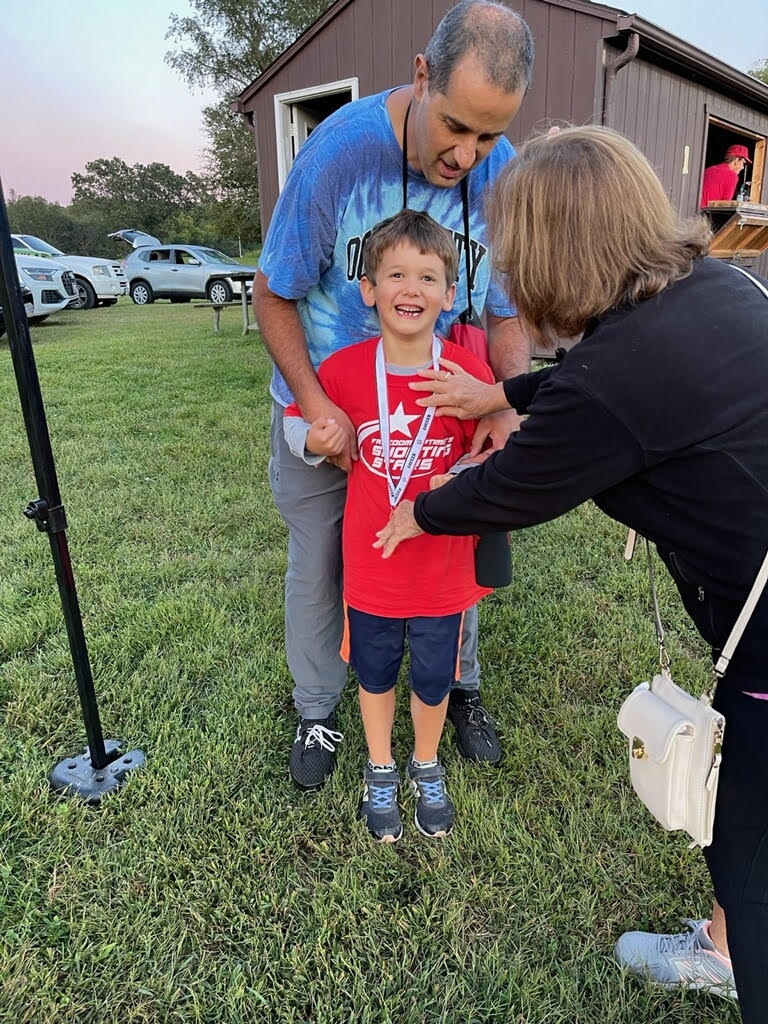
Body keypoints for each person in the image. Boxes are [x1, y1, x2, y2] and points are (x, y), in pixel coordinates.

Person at [375, 125, 768, 1024]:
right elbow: (603, 376)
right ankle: (721, 948)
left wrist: (419, 511)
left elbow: (513, 485)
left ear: (548, 251)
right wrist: (502, 393)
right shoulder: (716, 286)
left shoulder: (615, 377)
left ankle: (739, 949)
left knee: (752, 853)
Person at [253, 0, 535, 791]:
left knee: (452, 541)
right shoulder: (339, 153)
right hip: (329, 407)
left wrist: (501, 401)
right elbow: (273, 293)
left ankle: (459, 688)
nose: (468, 154)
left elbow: (507, 310)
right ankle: (318, 708)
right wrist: (317, 407)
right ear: (421, 76)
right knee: (321, 562)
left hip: (439, 414)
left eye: (489, 135)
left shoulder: (501, 172)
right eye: (456, 126)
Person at [283, 210, 494, 841]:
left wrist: (464, 474)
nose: (411, 289)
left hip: (444, 570)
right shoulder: (344, 370)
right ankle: (380, 767)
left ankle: (425, 764)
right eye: (396, 274)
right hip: (372, 567)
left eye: (428, 277)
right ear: (368, 288)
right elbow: (298, 424)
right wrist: (315, 440)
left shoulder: (468, 374)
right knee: (374, 673)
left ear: (450, 295)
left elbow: (491, 455)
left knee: (433, 676)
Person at [700, 144, 751, 208]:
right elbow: (725, 205)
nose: (743, 167)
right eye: (743, 163)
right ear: (736, 160)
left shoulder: (708, 169)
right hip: (706, 213)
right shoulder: (732, 176)